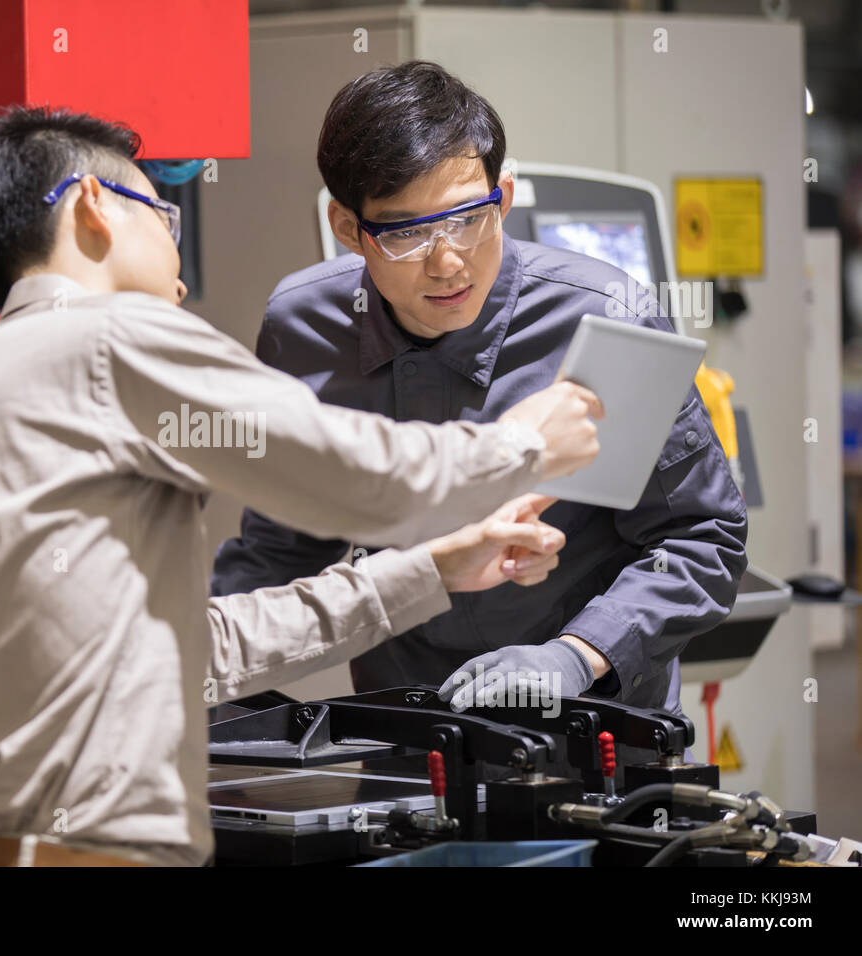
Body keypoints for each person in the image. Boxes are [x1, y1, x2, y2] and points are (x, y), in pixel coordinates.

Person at [0, 105, 602, 867]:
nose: (178, 271)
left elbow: (198, 649)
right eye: (162, 214)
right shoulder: (107, 336)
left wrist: (432, 571)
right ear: (93, 205)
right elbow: (357, 475)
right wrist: (522, 445)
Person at [211, 62, 748, 728]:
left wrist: (576, 657)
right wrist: (187, 667)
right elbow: (282, 546)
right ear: (348, 229)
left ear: (504, 197)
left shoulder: (609, 321)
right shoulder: (306, 329)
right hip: (405, 728)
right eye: (405, 232)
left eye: (468, 219)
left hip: (594, 725)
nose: (447, 262)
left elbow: (701, 535)